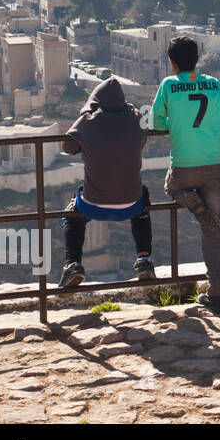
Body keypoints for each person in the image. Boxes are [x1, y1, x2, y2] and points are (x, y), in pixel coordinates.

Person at [150, 36, 220, 314]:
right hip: (213, 166)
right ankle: (218, 293)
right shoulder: (213, 83)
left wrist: (176, 122)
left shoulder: (169, 85)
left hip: (183, 166)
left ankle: (189, 200)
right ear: (197, 59)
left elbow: (156, 120)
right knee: (213, 231)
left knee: (171, 190)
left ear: (172, 63)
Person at [58, 77, 153, 289]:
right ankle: (144, 259)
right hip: (132, 203)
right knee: (143, 200)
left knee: (72, 216)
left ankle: (73, 264)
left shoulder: (89, 121)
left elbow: (68, 147)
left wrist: (86, 112)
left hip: (93, 204)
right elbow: (142, 138)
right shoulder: (135, 117)